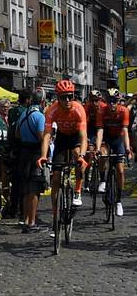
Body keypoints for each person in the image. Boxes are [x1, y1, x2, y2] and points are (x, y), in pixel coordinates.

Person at [38, 79, 88, 234]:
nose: (67, 100)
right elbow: (47, 135)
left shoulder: (79, 109)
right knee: (56, 178)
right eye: (63, 97)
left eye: (70, 96)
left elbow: (83, 136)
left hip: (75, 138)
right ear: (57, 98)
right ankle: (55, 216)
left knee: (77, 155)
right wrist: (43, 156)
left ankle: (78, 191)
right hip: (61, 138)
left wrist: (82, 156)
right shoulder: (52, 110)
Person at [14, 89, 47, 233]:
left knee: (26, 188)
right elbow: (42, 137)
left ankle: (26, 219)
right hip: (35, 153)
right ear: (42, 102)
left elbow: (17, 134)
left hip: (23, 153)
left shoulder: (23, 114)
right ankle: (32, 222)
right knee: (34, 189)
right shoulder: (39, 116)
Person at [96, 89, 131, 217]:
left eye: (115, 101)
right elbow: (99, 131)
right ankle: (103, 180)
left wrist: (127, 149)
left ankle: (119, 201)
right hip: (106, 137)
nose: (112, 104)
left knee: (120, 171)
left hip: (118, 139)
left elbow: (125, 132)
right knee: (103, 155)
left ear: (118, 101)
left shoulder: (123, 111)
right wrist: (98, 148)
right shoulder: (102, 110)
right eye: (110, 101)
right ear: (106, 102)